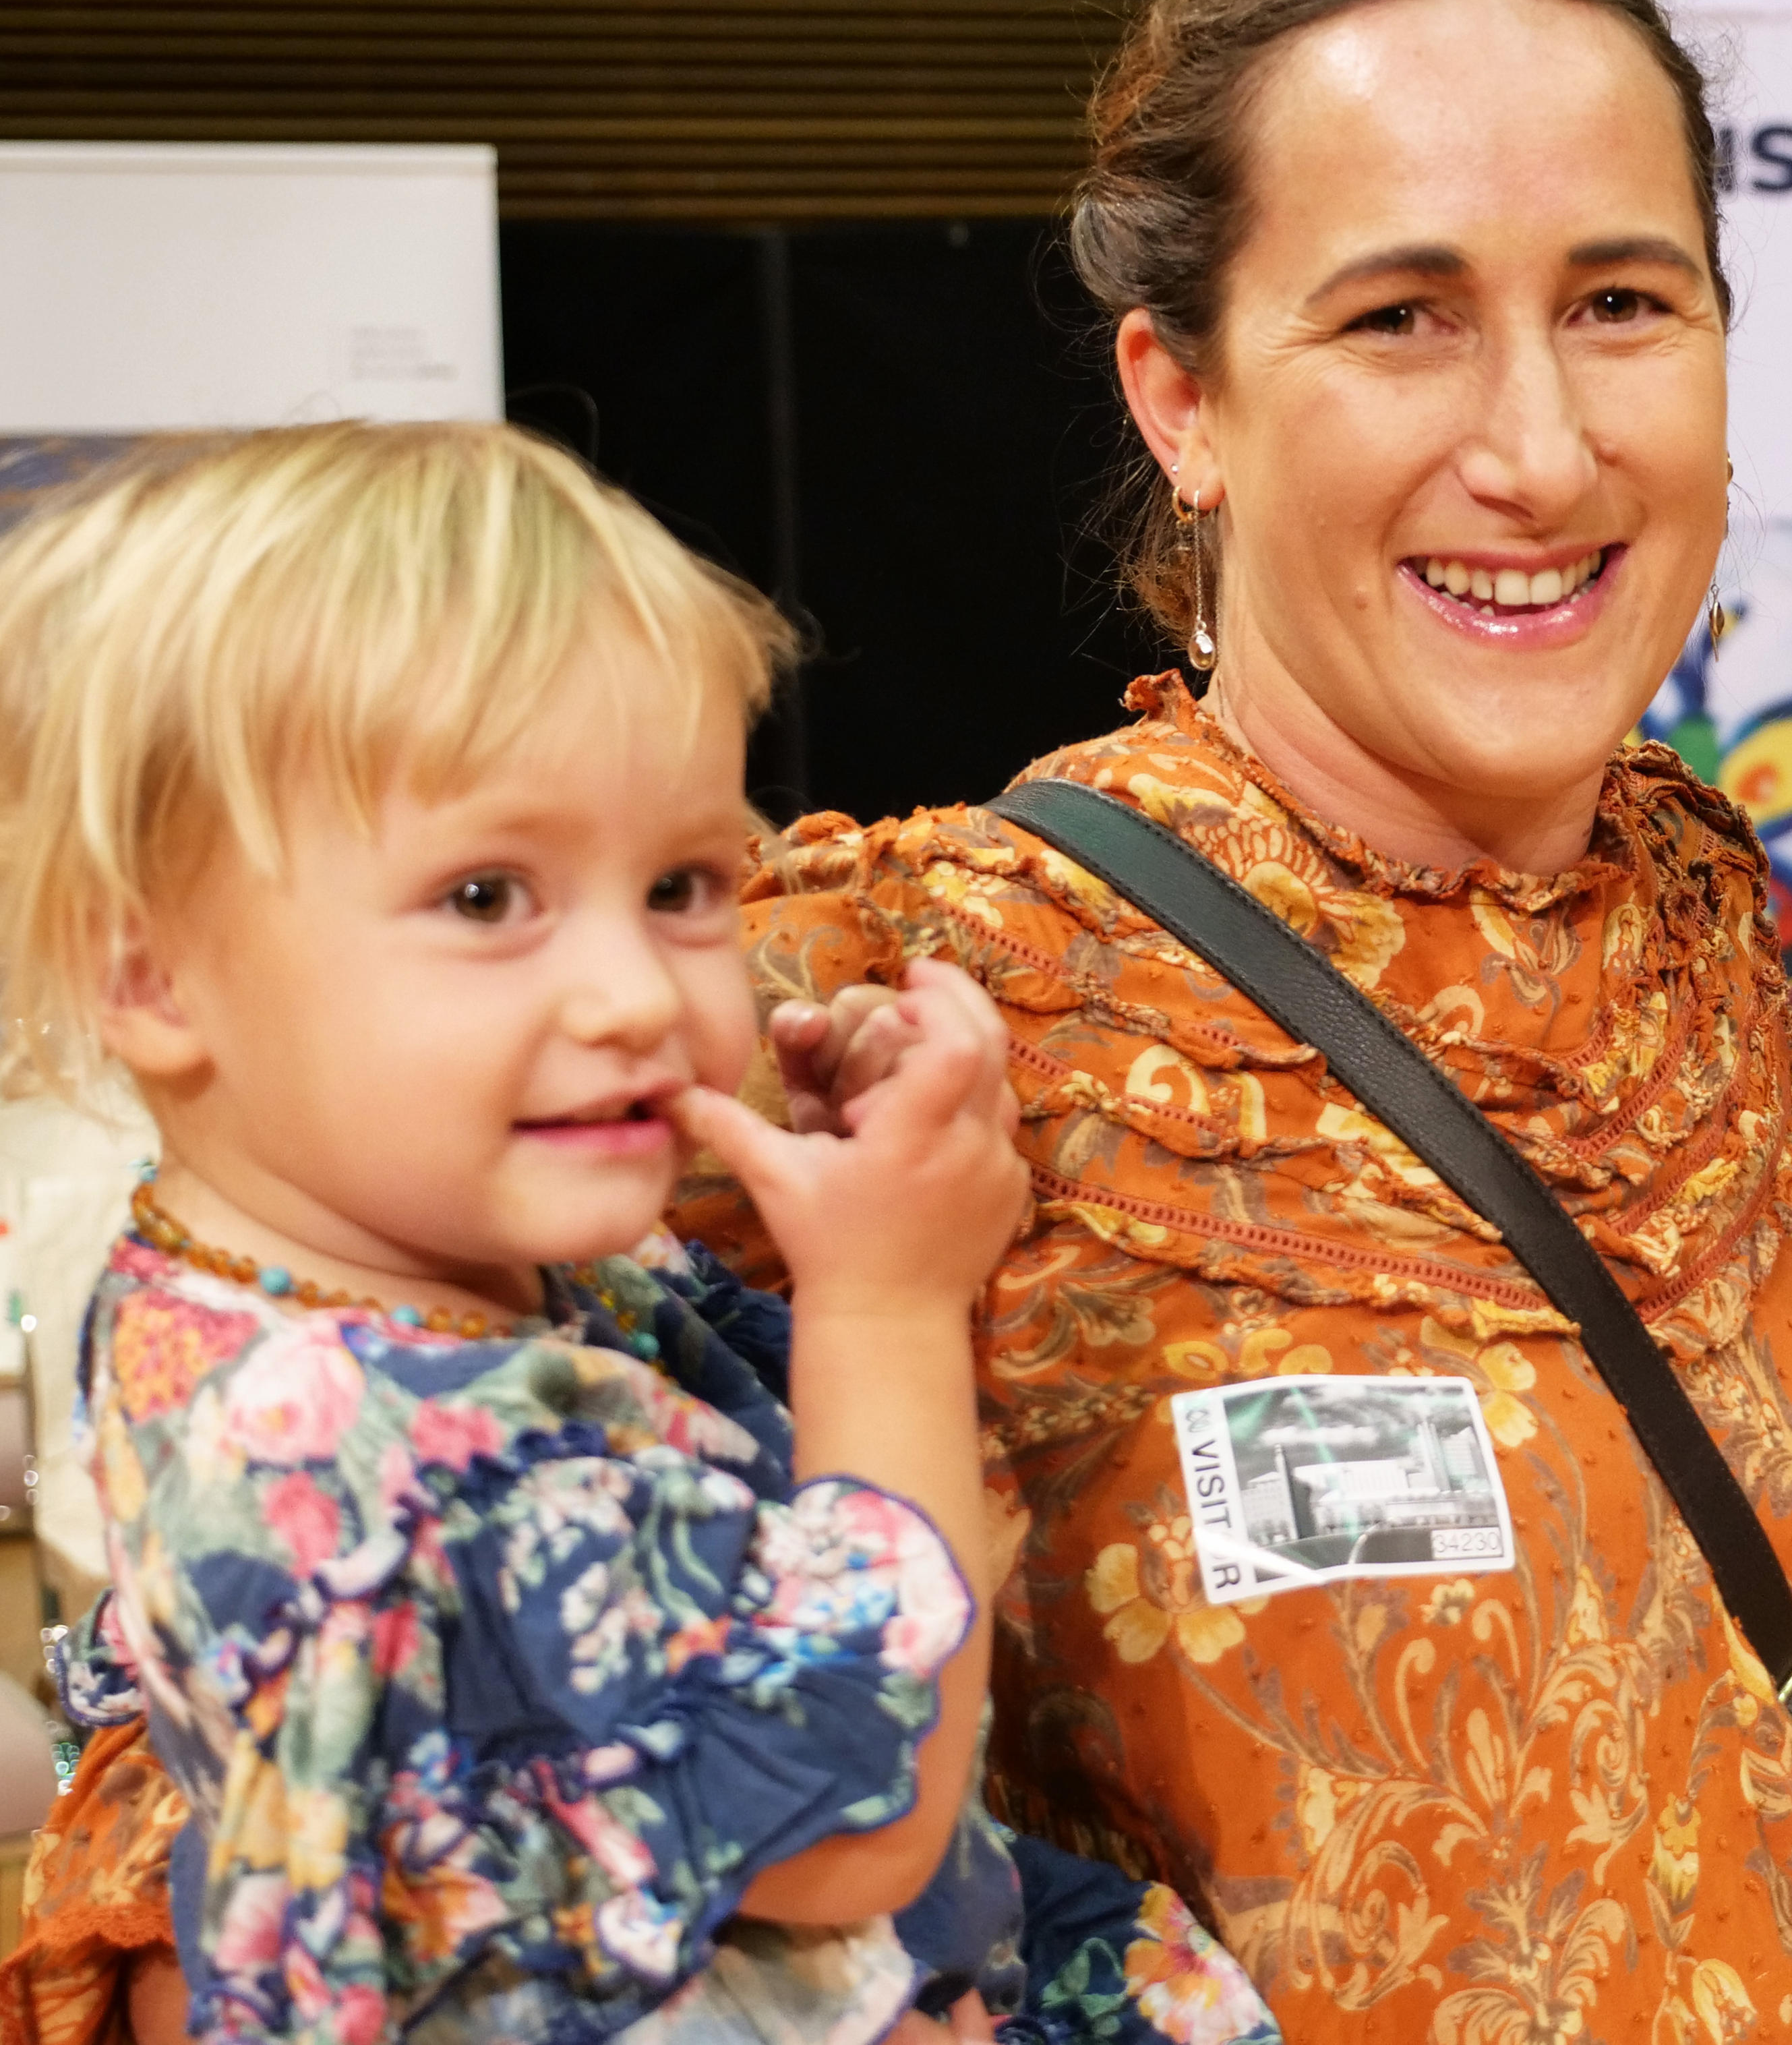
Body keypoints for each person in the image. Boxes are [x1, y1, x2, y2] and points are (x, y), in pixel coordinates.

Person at [659, 0, 1792, 2045]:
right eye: (1402, 319)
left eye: (1622, 301)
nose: (1538, 447)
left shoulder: (1718, 963)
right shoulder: (907, 1007)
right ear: (1185, 395)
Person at [0, 423, 1273, 2045]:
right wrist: (885, 1296)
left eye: (681, 884)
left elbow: (712, 1426)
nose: (632, 994)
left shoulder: (349, 1259)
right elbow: (858, 1800)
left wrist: (834, 1188)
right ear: (151, 975)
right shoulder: (374, 1452)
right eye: (485, 898)